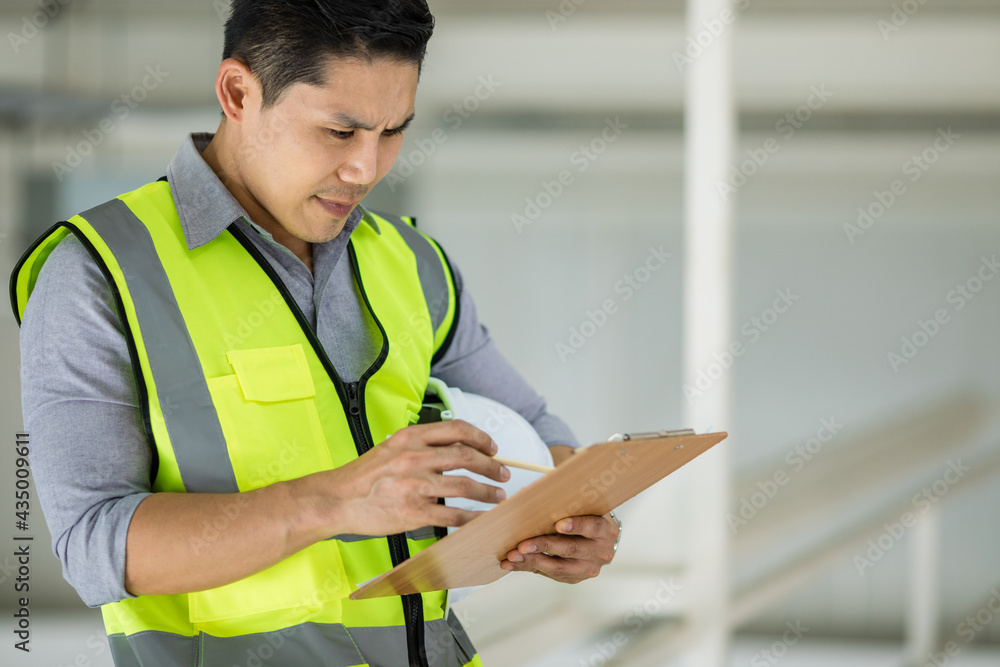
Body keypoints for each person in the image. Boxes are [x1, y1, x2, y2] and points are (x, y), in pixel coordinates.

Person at [11, 1, 619, 665]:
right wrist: (335, 501)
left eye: (393, 131)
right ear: (238, 93)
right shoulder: (98, 272)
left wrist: (572, 516)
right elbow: (93, 546)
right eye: (340, 131)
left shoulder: (412, 262)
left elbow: (536, 430)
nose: (367, 168)